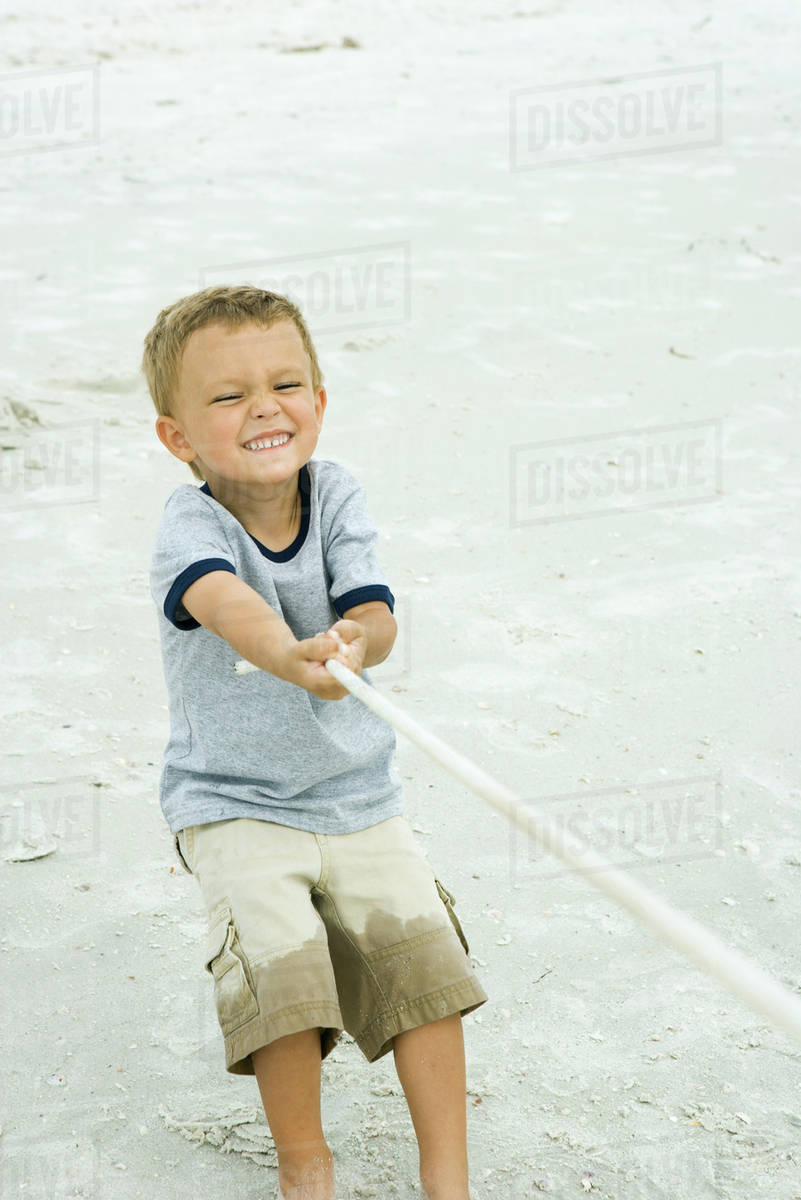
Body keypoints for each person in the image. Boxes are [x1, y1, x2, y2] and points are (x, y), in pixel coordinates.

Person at [142, 285, 488, 1200]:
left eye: (286, 383)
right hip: (234, 799)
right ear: (178, 436)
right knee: (283, 975)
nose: (263, 407)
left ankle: (446, 1178)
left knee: (427, 970)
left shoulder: (334, 493)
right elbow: (230, 605)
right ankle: (306, 1164)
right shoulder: (192, 525)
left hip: (355, 792)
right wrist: (291, 658)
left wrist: (356, 643)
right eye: (226, 396)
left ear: (320, 404)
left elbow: (375, 611)